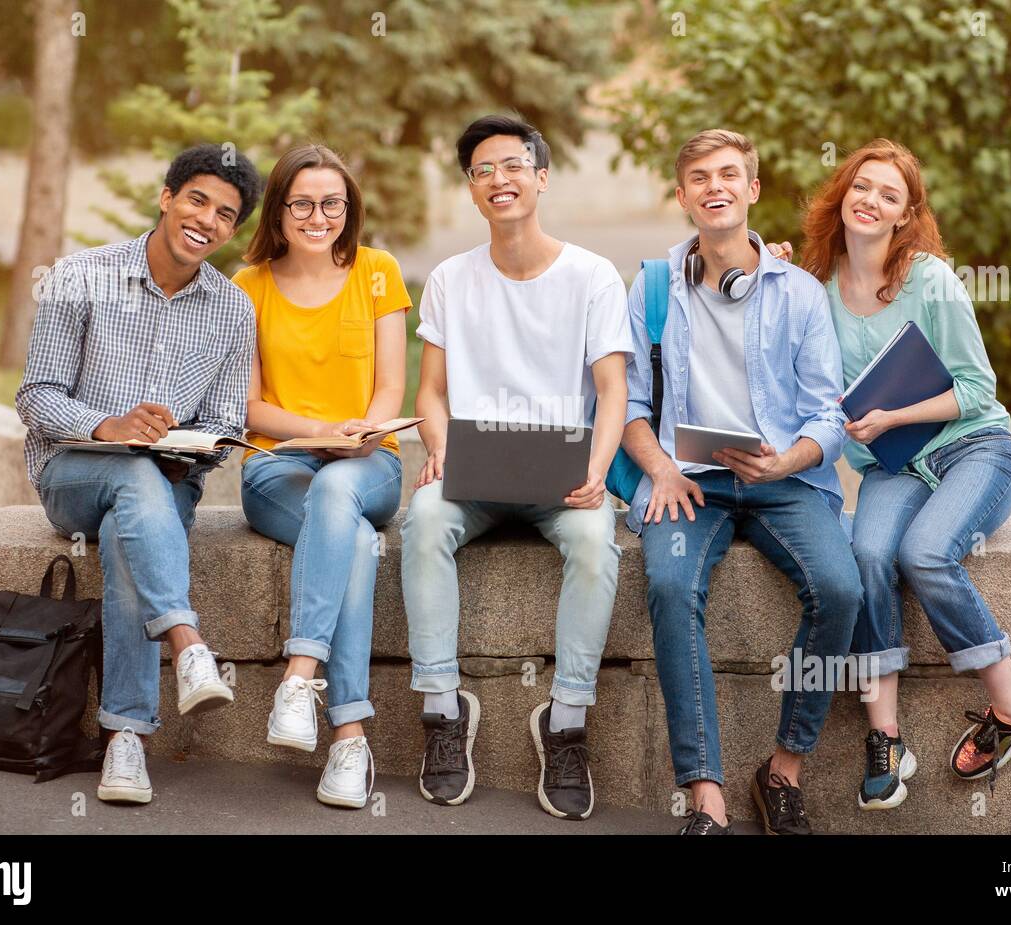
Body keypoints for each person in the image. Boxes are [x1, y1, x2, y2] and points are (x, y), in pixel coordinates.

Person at [622, 129, 860, 835]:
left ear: (752, 189)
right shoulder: (655, 286)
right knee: (668, 585)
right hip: (687, 478)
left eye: (729, 174)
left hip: (784, 478)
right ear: (683, 195)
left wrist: (785, 462)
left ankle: (782, 769)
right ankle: (705, 796)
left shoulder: (800, 294)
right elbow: (633, 408)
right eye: (699, 177)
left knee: (841, 588)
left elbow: (829, 415)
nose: (714, 186)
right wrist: (661, 466)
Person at [798, 138, 1011, 810]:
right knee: (867, 552)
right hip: (894, 463)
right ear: (843, 191)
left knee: (925, 552)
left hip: (974, 450)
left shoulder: (931, 278)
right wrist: (853, 427)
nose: (871, 201)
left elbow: (977, 387)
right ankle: (886, 738)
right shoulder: (817, 294)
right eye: (863, 186)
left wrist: (888, 412)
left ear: (906, 215)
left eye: (889, 195)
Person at [16, 142, 263, 805]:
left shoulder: (234, 310)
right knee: (130, 479)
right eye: (197, 200)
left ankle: (126, 740)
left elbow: (224, 424)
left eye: (225, 214)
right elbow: (35, 397)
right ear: (166, 197)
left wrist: (194, 446)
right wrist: (111, 426)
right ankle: (186, 645)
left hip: (165, 483)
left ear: (232, 229)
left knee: (138, 511)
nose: (207, 220)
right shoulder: (80, 275)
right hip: (73, 472)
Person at [401, 114, 632, 820]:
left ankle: (564, 722)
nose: (498, 179)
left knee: (597, 540)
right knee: (422, 520)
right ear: (471, 190)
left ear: (540, 177)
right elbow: (430, 393)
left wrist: (596, 471)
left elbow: (613, 389)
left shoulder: (592, 276)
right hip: (473, 470)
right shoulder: (449, 278)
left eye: (512, 165)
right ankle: (443, 711)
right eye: (482, 170)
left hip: (562, 476)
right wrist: (438, 449)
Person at [233, 144, 410, 809]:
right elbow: (247, 406)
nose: (318, 215)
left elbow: (392, 383)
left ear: (349, 207)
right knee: (356, 542)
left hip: (370, 462)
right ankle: (349, 736)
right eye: (301, 202)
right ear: (278, 209)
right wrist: (314, 434)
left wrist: (359, 432)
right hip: (277, 465)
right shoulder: (247, 284)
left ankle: (298, 677)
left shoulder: (377, 271)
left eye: (331, 202)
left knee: (340, 490)